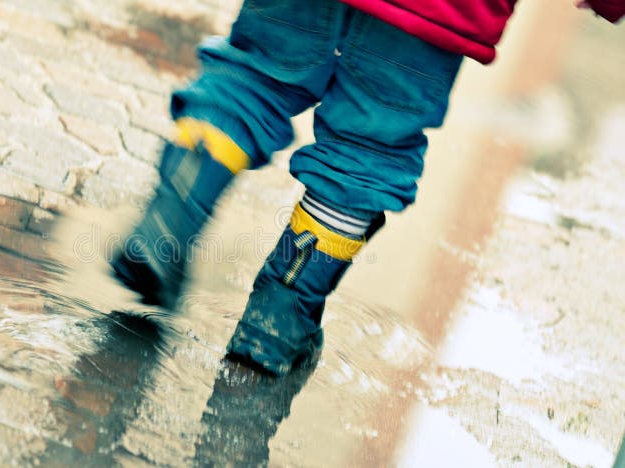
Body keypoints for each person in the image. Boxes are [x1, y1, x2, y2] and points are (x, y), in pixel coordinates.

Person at [111, 0, 624, 376]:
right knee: (366, 152)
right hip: (433, 17)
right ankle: (279, 313)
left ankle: (168, 221)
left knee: (251, 83)